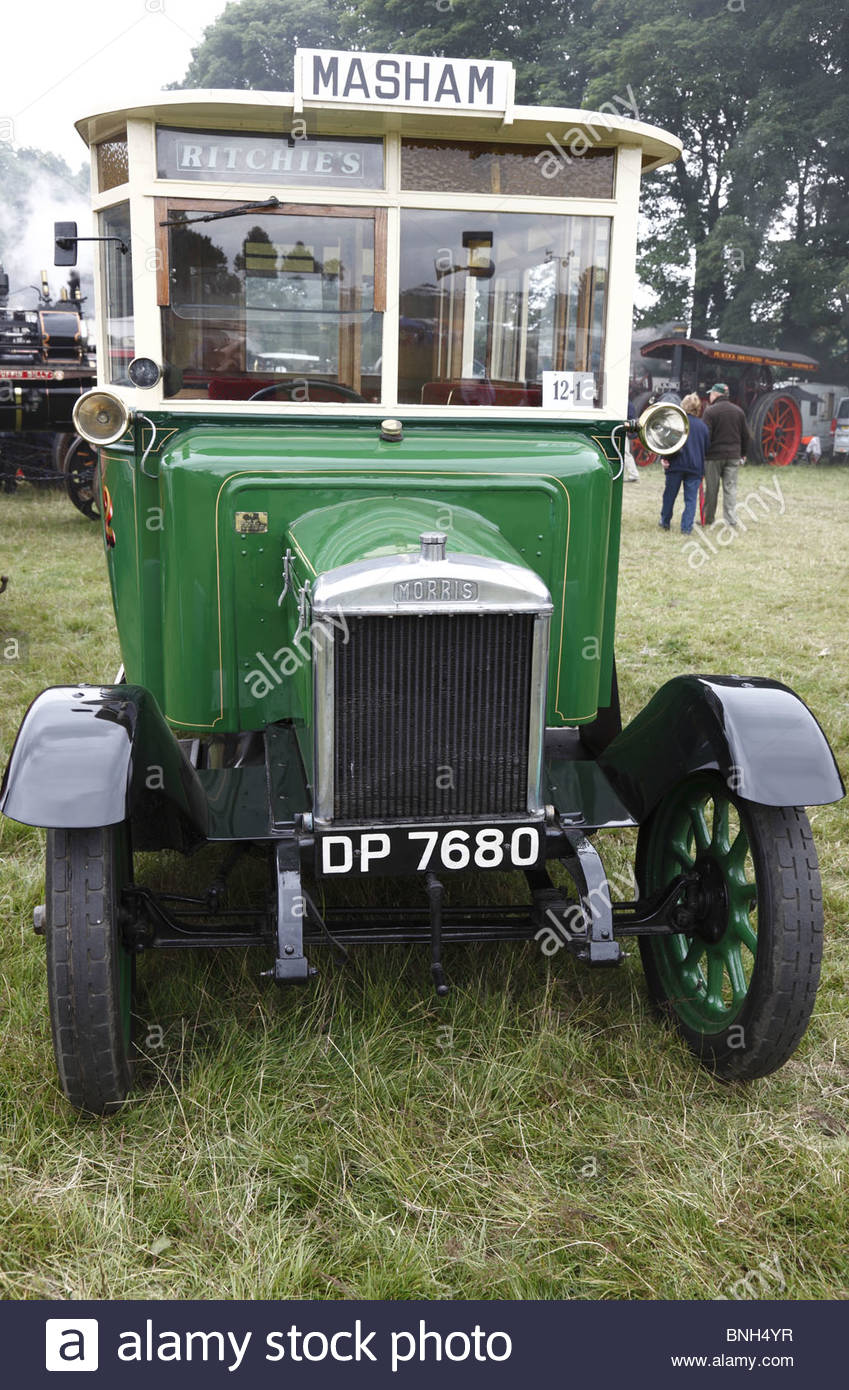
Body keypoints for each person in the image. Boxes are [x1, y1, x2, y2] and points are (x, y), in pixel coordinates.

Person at [658, 392, 709, 534]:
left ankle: (665, 521)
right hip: (695, 467)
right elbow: (706, 448)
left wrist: (665, 457)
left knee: (669, 495)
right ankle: (686, 528)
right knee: (691, 499)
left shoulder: (677, 423)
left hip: (676, 464)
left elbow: (670, 443)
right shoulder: (703, 427)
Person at [702, 382, 751, 526]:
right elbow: (746, 436)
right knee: (730, 489)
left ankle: (708, 518)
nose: (710, 396)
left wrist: (703, 454)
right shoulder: (739, 411)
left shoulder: (710, 412)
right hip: (733, 456)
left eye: (711, 393)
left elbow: (706, 436)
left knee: (711, 489)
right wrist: (743, 453)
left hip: (713, 456)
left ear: (716, 395)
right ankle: (731, 520)